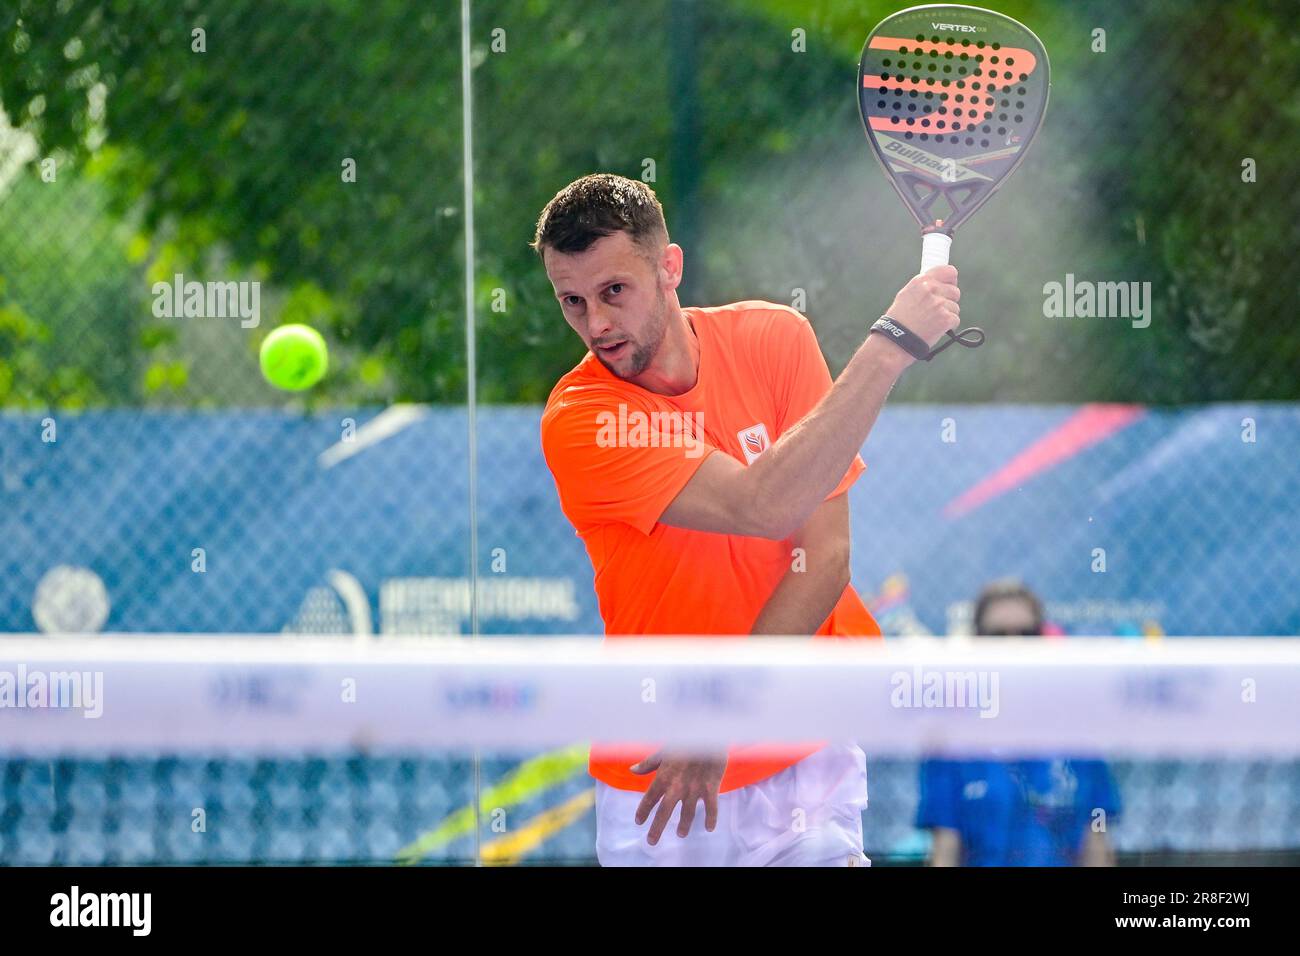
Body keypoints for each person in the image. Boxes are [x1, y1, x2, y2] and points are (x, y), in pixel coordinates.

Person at [535, 173, 961, 865]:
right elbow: (764, 506)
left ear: (669, 268)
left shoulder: (775, 337)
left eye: (614, 291)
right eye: (572, 302)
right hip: (661, 780)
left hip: (804, 750)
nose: (597, 324)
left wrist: (725, 712)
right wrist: (890, 345)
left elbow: (825, 557)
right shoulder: (583, 419)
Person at [917, 580, 1122, 866]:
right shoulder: (950, 742)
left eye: (1026, 634)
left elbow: (1095, 847)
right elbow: (945, 851)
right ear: (977, 642)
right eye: (997, 635)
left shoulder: (1078, 736)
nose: (1013, 645)